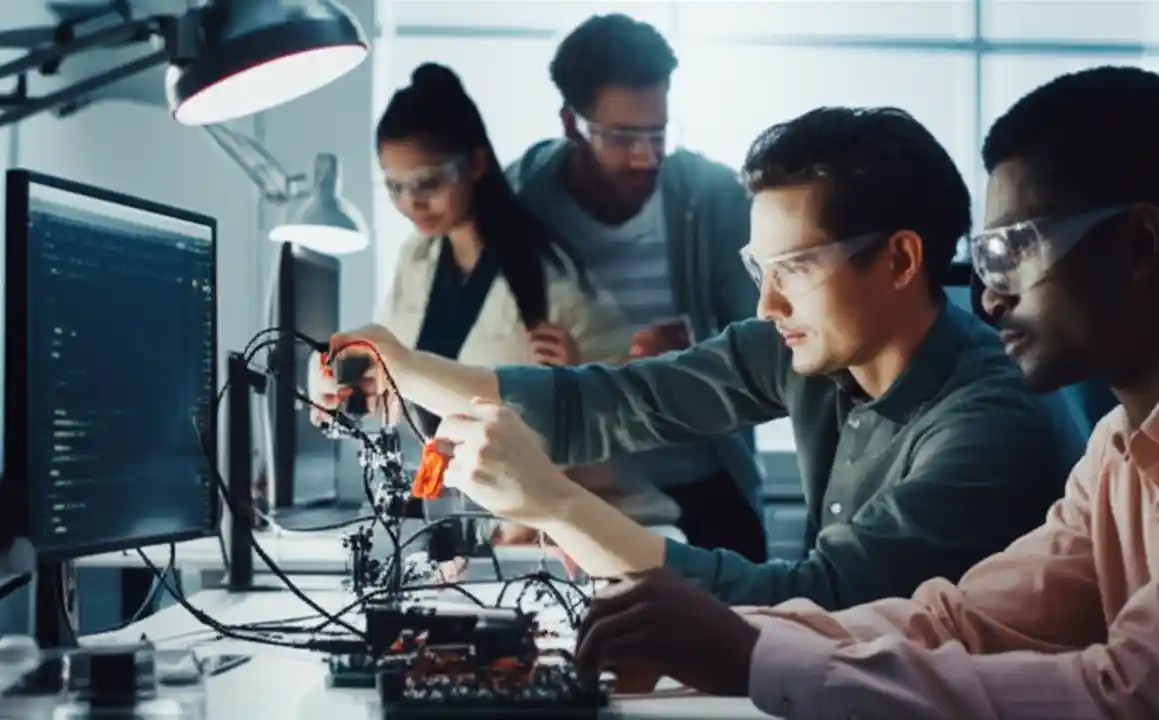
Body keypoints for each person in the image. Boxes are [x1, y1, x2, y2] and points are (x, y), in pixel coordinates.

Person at [569, 67, 1159, 718]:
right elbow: (964, 621)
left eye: (1010, 252)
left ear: (1141, 245)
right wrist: (731, 638)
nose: (986, 295)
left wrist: (751, 654)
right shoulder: (1119, 447)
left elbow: (1141, 697)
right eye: (982, 255)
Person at [327, 106, 1084, 611]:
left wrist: (556, 505)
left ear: (899, 260)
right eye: (762, 271)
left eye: (795, 268)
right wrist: (395, 362)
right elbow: (609, 403)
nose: (767, 307)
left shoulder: (989, 426)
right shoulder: (810, 349)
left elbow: (813, 608)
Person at [309, 63, 678, 526]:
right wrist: (336, 375)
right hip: (480, 521)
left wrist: (575, 384)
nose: (411, 204)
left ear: (477, 165)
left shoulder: (550, 277)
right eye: (395, 187)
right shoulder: (419, 258)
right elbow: (392, 376)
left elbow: (622, 423)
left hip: (589, 521)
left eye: (427, 183)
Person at [505, 14, 768, 560]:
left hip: (707, 487)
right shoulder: (518, 204)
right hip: (583, 488)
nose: (645, 157)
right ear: (571, 123)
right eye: (622, 137)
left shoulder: (715, 197)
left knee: (744, 636)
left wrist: (696, 344)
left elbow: (773, 339)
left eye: (658, 133)